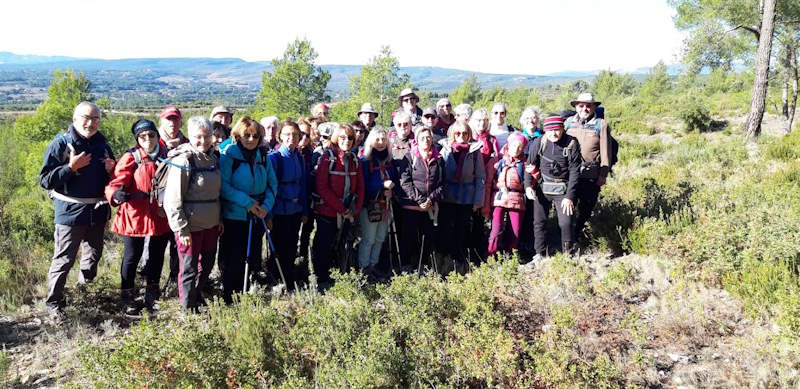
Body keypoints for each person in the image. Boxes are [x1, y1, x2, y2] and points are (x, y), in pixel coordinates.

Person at [39, 102, 115, 319]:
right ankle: (54, 304)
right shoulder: (61, 144)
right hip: (69, 212)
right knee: (64, 259)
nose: (90, 123)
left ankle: (85, 296)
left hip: (97, 212)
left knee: (92, 257)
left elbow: (112, 181)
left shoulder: (103, 146)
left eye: (95, 119)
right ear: (75, 119)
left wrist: (112, 171)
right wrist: (70, 168)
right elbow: (45, 180)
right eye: (86, 117)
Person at [104, 119, 171, 314]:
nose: (148, 139)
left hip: (160, 213)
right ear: (137, 139)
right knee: (132, 256)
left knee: (158, 255)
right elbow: (116, 182)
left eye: (151, 135)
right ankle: (127, 296)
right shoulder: (131, 157)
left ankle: (152, 294)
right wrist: (115, 195)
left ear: (158, 136)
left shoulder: (168, 155)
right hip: (135, 213)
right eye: (143, 136)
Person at [163, 116, 223, 313]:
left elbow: (216, 193)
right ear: (190, 136)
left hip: (211, 224)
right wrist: (182, 229)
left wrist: (219, 219)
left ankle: (196, 296)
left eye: (207, 136)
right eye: (198, 137)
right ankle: (187, 309)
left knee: (206, 265)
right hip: (190, 226)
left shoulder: (214, 158)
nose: (203, 141)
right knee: (188, 269)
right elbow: (172, 199)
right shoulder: (184, 160)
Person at [218, 117, 277, 303]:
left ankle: (246, 293)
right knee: (234, 258)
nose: (251, 139)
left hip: (258, 213)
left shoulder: (263, 155)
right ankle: (230, 298)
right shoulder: (229, 155)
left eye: (255, 136)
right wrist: (247, 203)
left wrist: (266, 207)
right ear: (238, 135)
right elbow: (223, 186)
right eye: (247, 135)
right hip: (235, 215)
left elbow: (272, 184)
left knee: (252, 257)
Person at [312, 124, 364, 287]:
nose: (346, 141)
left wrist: (354, 210)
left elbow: (361, 187)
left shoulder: (355, 159)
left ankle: (338, 277)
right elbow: (322, 187)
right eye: (342, 137)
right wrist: (342, 209)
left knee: (342, 246)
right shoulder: (328, 157)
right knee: (324, 246)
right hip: (327, 213)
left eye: (350, 138)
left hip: (347, 213)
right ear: (336, 138)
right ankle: (322, 280)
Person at [524, 114, 581, 260]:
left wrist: (569, 196)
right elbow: (530, 166)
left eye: (556, 129)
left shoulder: (572, 143)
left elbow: (575, 171)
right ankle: (540, 254)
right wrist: (528, 186)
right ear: (545, 130)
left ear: (562, 128)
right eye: (549, 130)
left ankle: (568, 254)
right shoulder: (539, 142)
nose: (553, 133)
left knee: (566, 222)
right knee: (539, 222)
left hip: (563, 188)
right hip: (542, 187)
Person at [149, 105, 188, 295]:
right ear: (161, 122)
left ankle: (174, 281)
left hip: (182, 204)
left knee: (177, 246)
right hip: (159, 206)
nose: (172, 124)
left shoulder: (188, 144)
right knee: (157, 246)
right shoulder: (152, 143)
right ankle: (152, 285)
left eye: (175, 120)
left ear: (181, 122)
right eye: (168, 120)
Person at [564, 93, 612, 244]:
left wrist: (603, 174)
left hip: (591, 175)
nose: (585, 108)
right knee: (568, 208)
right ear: (576, 106)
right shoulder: (568, 123)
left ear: (594, 107)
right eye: (581, 105)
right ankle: (568, 239)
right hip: (570, 175)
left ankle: (578, 234)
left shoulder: (601, 124)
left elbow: (606, 152)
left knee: (586, 208)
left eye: (588, 105)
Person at [438, 121, 485, 271]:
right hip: (447, 195)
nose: (461, 136)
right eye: (458, 133)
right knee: (446, 228)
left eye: (465, 133)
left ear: (469, 134)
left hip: (466, 197)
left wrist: (478, 199)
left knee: (461, 229)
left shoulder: (475, 151)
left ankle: (459, 260)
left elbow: (480, 176)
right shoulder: (445, 149)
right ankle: (446, 258)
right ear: (452, 134)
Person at [397, 127, 445, 272]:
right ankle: (405, 265)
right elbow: (405, 181)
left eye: (429, 137)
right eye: (423, 137)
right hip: (411, 206)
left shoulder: (439, 159)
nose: (426, 140)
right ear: (417, 139)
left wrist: (430, 199)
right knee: (408, 237)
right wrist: (420, 199)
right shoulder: (409, 157)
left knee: (427, 237)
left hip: (430, 207)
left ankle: (423, 266)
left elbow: (442, 183)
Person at [268, 120, 308, 290]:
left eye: (295, 134)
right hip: (279, 212)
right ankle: (280, 280)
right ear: (280, 137)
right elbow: (270, 188)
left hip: (295, 210)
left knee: (292, 246)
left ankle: (287, 278)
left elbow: (303, 186)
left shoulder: (299, 157)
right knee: (279, 247)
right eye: (287, 134)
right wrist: (269, 215)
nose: (291, 137)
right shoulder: (274, 158)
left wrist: (305, 210)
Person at [358, 128, 398, 280]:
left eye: (383, 139)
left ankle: (373, 266)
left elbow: (395, 181)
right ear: (371, 141)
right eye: (377, 139)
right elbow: (363, 185)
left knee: (380, 237)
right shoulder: (365, 161)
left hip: (386, 205)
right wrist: (382, 185)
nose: (381, 143)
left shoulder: (389, 161)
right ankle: (363, 269)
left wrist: (391, 191)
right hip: (370, 205)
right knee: (369, 239)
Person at [488, 132, 531, 255]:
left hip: (517, 199)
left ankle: (509, 256)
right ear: (508, 145)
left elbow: (531, 182)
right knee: (496, 229)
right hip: (499, 198)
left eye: (520, 147)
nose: (516, 150)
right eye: (514, 146)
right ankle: (491, 254)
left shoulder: (525, 164)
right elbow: (487, 184)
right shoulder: (497, 161)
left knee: (515, 231)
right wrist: (485, 205)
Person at [467, 108, 499, 261]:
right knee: (468, 219)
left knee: (480, 221)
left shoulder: (492, 140)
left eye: (485, 120)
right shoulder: (467, 137)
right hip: (469, 184)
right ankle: (466, 252)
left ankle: (479, 253)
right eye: (479, 120)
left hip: (486, 184)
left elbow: (498, 161)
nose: (482, 123)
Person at [518, 105, 542, 260]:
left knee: (537, 213)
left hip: (540, 180)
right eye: (527, 118)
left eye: (533, 117)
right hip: (521, 180)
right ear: (522, 121)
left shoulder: (544, 136)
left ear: (538, 119)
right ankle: (522, 242)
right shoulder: (519, 138)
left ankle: (536, 244)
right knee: (523, 213)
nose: (530, 121)